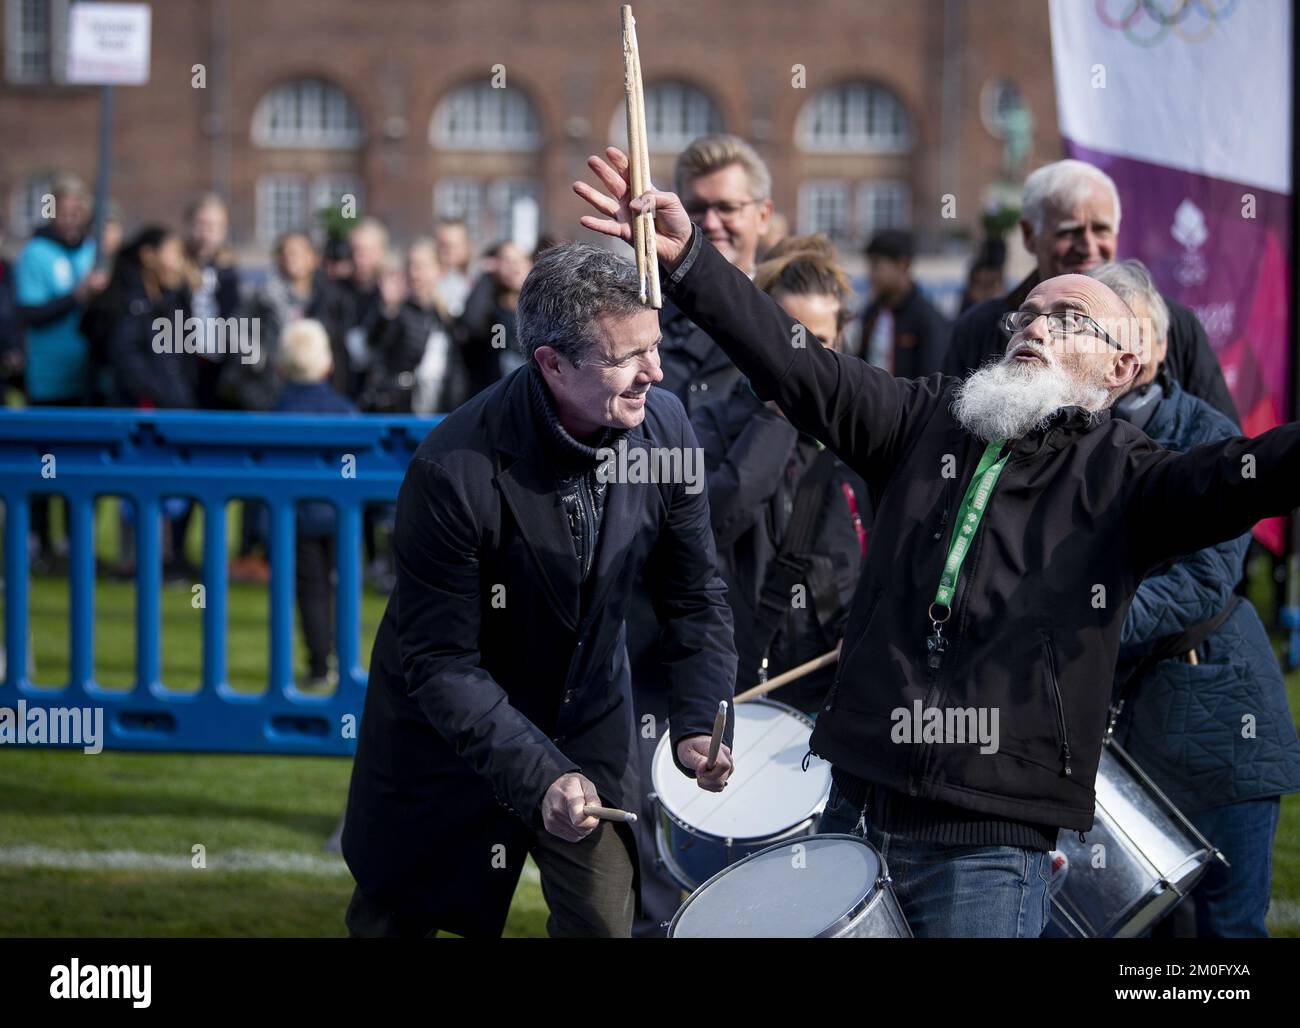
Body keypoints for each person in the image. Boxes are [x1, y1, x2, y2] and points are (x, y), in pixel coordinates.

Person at [575, 144, 1300, 938]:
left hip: (990, 836)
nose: (1035, 327)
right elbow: (795, 362)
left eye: (1067, 320)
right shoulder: (924, 417)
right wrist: (691, 263)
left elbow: (1253, 471)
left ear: (1122, 367)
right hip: (856, 800)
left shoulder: (1130, 476)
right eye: (1027, 314)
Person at [342, 242, 737, 938]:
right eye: (627, 357)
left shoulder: (666, 425)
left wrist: (701, 719)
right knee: (400, 917)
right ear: (551, 363)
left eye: (654, 344)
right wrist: (539, 776)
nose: (656, 371)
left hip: (589, 718)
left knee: (604, 925)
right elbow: (440, 663)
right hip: (448, 741)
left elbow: (694, 592)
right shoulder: (452, 468)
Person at [1093, 260, 1300, 938]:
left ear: (1156, 345)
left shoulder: (1208, 434)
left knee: (1224, 936)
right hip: (1112, 730)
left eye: (1129, 332)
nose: (1114, 347)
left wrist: (1080, 623)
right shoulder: (1056, 438)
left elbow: (1203, 580)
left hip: (1217, 716)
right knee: (1129, 927)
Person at [693, 234, 866, 712]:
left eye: (821, 341)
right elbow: (712, 524)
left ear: (842, 339)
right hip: (744, 681)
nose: (804, 355)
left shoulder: (865, 425)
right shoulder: (712, 421)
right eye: (790, 337)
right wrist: (775, 417)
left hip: (838, 681)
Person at [941, 159, 1238, 424]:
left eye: (1101, 229)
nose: (1088, 247)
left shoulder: (1172, 323)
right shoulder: (979, 328)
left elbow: (1220, 444)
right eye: (1069, 232)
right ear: (1030, 236)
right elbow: (948, 431)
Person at [15, 172, 105, 570]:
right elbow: (30, 313)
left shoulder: (93, 252)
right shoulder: (36, 255)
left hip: (84, 375)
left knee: (77, 463)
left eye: (77, 211)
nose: (71, 217)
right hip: (49, 376)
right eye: (63, 210)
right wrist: (76, 297)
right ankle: (40, 541)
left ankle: (72, 541)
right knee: (45, 463)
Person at [658, 134, 774, 415]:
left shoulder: (789, 316)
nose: (710, 223)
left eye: (727, 208)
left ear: (763, 215)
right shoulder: (642, 310)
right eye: (696, 208)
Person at [273, 319, 358, 692]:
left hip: (297, 517)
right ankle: (347, 659)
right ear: (327, 365)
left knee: (311, 592)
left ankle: (320, 664)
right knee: (342, 587)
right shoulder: (344, 410)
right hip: (341, 515)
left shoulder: (277, 413)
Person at [363, 238, 466, 414]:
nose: (414, 273)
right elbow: (374, 342)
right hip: (399, 408)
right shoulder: (397, 311)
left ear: (439, 270)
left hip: (440, 409)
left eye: (422, 266)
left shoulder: (448, 315)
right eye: (410, 265)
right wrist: (387, 311)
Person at [859, 229, 951, 377]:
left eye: (876, 265)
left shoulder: (928, 319)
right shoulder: (871, 313)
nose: (870, 274)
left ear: (902, 264)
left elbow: (932, 383)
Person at [182, 193, 243, 410]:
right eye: (201, 224)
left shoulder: (229, 271)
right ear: (189, 225)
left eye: (215, 227)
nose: (207, 233)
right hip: (183, 365)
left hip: (219, 365)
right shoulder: (175, 267)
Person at [456, 240, 531, 396]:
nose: (515, 266)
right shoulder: (490, 312)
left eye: (520, 259)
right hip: (496, 397)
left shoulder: (538, 309)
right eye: (507, 260)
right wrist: (485, 276)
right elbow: (471, 323)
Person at [432, 217, 474, 318]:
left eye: (456, 245)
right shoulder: (428, 281)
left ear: (467, 246)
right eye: (444, 245)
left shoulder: (477, 280)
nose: (450, 251)